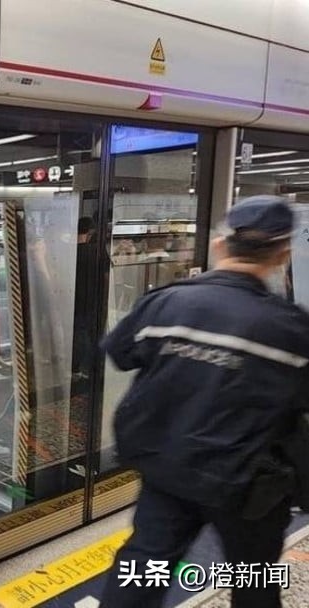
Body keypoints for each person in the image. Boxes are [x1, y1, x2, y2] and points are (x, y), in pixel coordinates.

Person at [99, 195, 309, 608]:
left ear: (220, 245)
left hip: (167, 469)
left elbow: (122, 354)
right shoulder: (291, 329)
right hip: (249, 484)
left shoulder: (167, 302)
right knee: (253, 581)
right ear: (283, 254)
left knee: (142, 568)